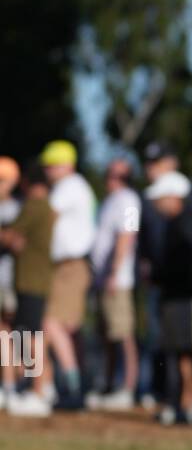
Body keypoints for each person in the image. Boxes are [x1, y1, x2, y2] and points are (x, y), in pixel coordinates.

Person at [144, 171, 192, 423]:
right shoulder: (173, 224)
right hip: (175, 296)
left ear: (174, 197)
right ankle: (181, 401)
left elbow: (191, 265)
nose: (156, 204)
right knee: (179, 352)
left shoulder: (189, 223)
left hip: (188, 297)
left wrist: (162, 276)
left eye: (160, 198)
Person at [40, 140, 96, 408]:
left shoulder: (70, 186)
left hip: (71, 265)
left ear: (67, 166)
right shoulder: (75, 187)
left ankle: (73, 387)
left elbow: (45, 218)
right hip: (68, 265)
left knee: (50, 323)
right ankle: (66, 384)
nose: (48, 171)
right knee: (68, 328)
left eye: (52, 166)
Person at [0, 163, 56, 416]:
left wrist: (9, 237)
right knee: (26, 336)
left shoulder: (34, 206)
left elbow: (13, 235)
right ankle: (35, 388)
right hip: (32, 280)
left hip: (31, 280)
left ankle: (39, 391)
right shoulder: (43, 206)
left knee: (32, 338)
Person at [87, 159, 141, 409]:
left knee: (122, 334)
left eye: (115, 175)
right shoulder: (109, 201)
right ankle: (108, 385)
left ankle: (128, 388)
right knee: (107, 334)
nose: (110, 179)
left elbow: (127, 234)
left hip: (117, 279)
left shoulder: (128, 199)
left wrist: (114, 271)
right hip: (103, 278)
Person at [0, 157, 22, 410]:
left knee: (19, 332)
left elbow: (16, 241)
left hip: (13, 280)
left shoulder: (17, 208)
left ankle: (19, 384)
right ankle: (9, 384)